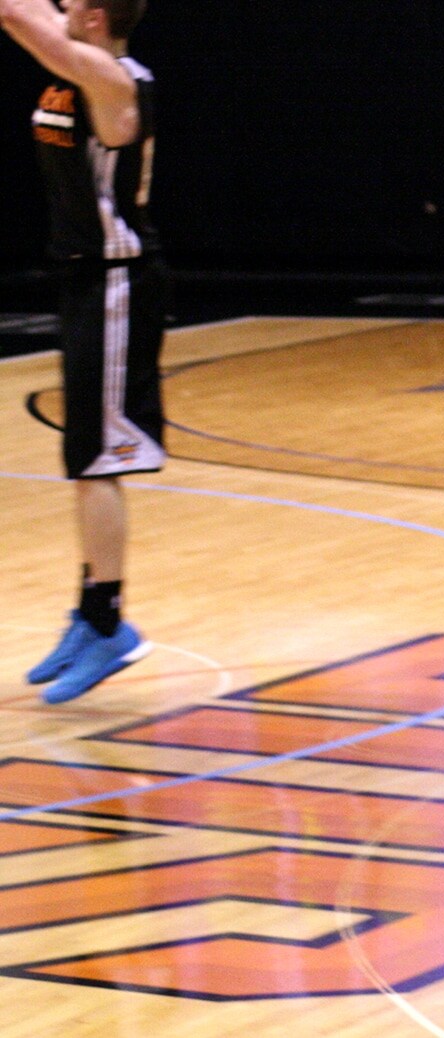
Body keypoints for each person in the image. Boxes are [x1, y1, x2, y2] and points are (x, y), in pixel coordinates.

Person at [2, 0, 162, 703]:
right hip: (84, 277)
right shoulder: (87, 59)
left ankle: (108, 626)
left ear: (96, 17)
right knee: (83, 460)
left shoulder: (110, 77)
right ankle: (91, 610)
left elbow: (19, 16)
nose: (60, 5)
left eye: (73, 1)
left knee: (98, 461)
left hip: (117, 281)